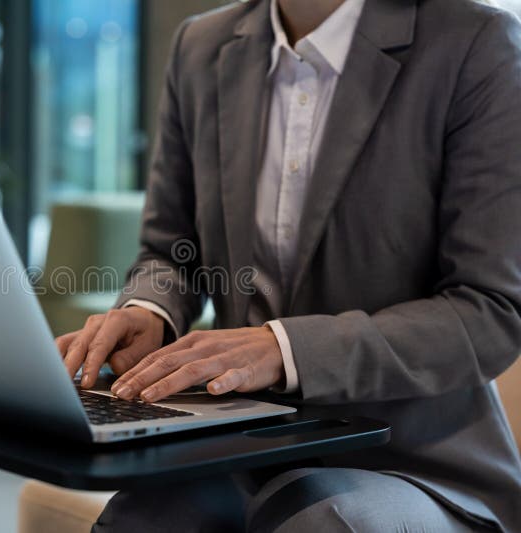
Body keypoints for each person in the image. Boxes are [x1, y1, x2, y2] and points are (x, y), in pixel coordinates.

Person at [56, 0, 521, 530]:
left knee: (321, 520)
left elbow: (490, 310)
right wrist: (150, 309)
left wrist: (285, 348)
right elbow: (171, 250)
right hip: (241, 445)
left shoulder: (475, 42)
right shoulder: (201, 46)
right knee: (142, 518)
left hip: (417, 461)